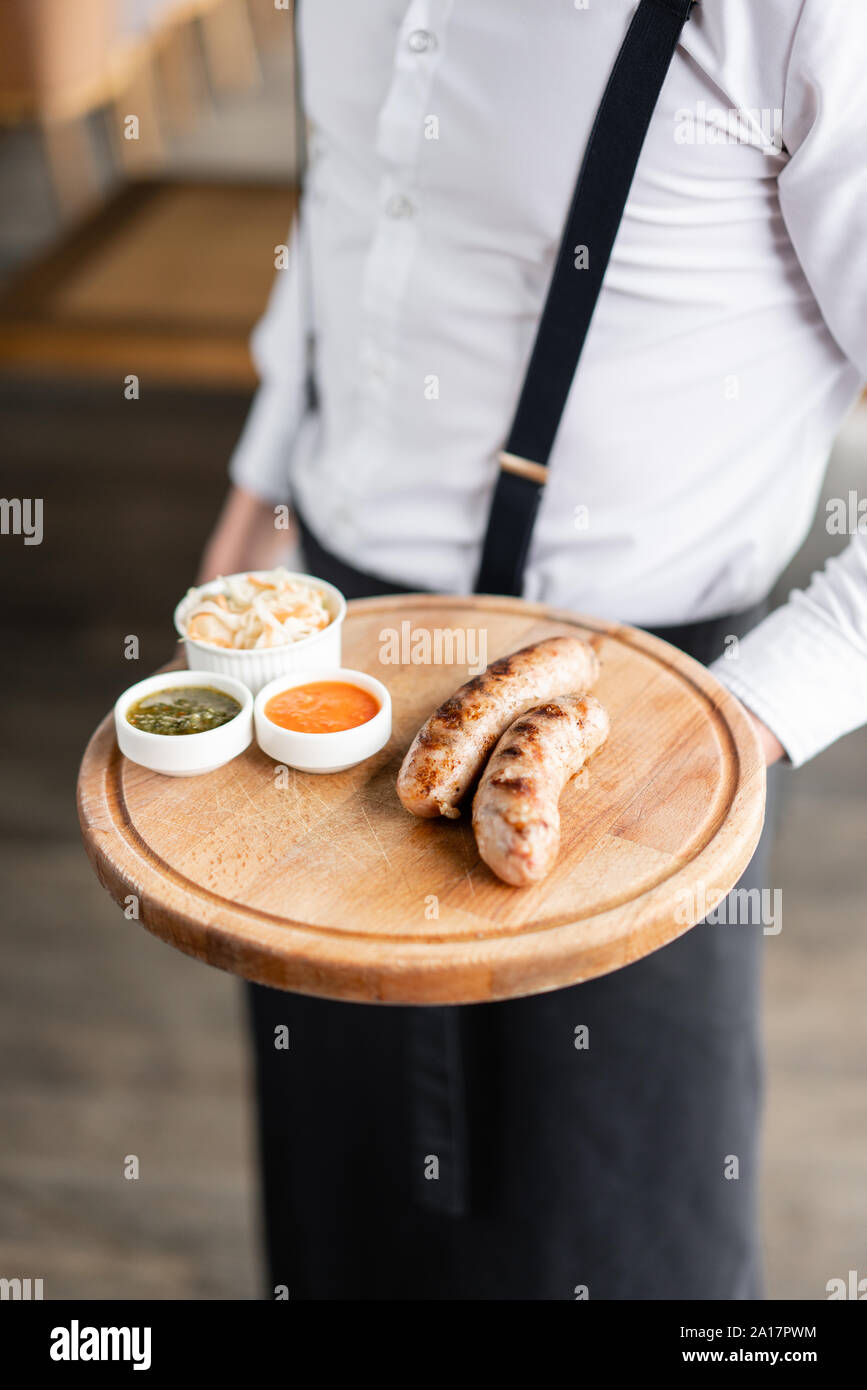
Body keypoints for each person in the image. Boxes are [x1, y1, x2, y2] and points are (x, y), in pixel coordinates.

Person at [199, 1, 867, 1299]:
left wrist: (734, 722)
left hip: (653, 711)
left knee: (612, 1233)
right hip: (326, 658)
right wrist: (262, 477)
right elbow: (363, 184)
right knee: (340, 1199)